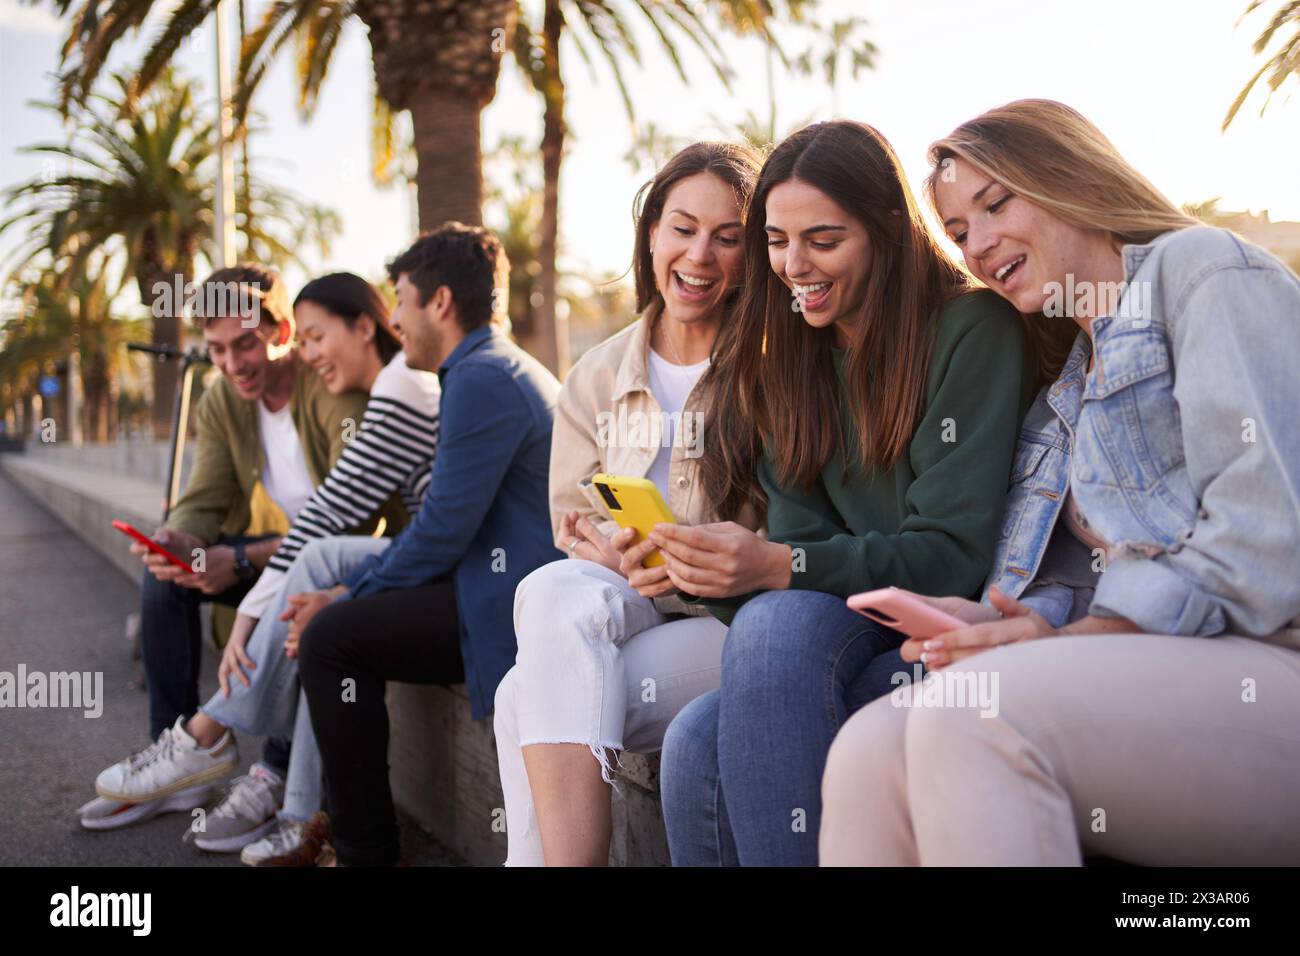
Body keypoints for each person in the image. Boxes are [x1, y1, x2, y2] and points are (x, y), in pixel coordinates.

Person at [819, 99, 1300, 866]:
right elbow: (1083, 590)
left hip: (1271, 660)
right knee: (867, 748)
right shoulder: (1063, 397)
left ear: (1068, 176)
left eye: (995, 202)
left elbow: (1266, 545)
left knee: (969, 717)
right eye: (958, 230)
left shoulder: (1202, 271)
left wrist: (1078, 641)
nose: (977, 243)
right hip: (1161, 672)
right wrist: (997, 622)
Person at [656, 120, 1046, 865]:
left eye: (823, 241)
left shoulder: (972, 330)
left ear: (888, 231)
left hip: (956, 630)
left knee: (743, 679)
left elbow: (952, 556)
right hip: (853, 634)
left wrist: (777, 567)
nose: (793, 265)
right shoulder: (792, 360)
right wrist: (706, 571)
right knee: (692, 738)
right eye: (775, 241)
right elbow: (801, 558)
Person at [90, 273, 441, 865]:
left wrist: (245, 564)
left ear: (283, 333)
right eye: (218, 350)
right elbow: (206, 494)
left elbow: (353, 518)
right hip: (288, 553)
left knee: (310, 604)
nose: (232, 364)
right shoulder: (223, 397)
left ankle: (266, 768)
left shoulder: (338, 385)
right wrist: (182, 539)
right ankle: (181, 758)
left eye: (246, 344)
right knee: (166, 576)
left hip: (333, 552)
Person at [493, 142, 763, 866]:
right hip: (629, 597)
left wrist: (695, 556)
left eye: (727, 236)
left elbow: (791, 525)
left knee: (520, 697)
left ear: (753, 251)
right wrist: (603, 548)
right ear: (651, 236)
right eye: (681, 227)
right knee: (551, 586)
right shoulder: (598, 373)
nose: (699, 255)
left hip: (731, 619)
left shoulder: (777, 366)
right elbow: (568, 520)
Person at [291, 223, 563, 867]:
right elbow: (443, 527)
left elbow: (440, 531)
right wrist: (345, 592)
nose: (394, 319)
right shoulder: (485, 368)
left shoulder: (482, 376)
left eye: (402, 299)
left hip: (509, 607)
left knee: (332, 638)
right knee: (336, 619)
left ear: (440, 302)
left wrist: (346, 597)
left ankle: (365, 854)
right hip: (489, 586)